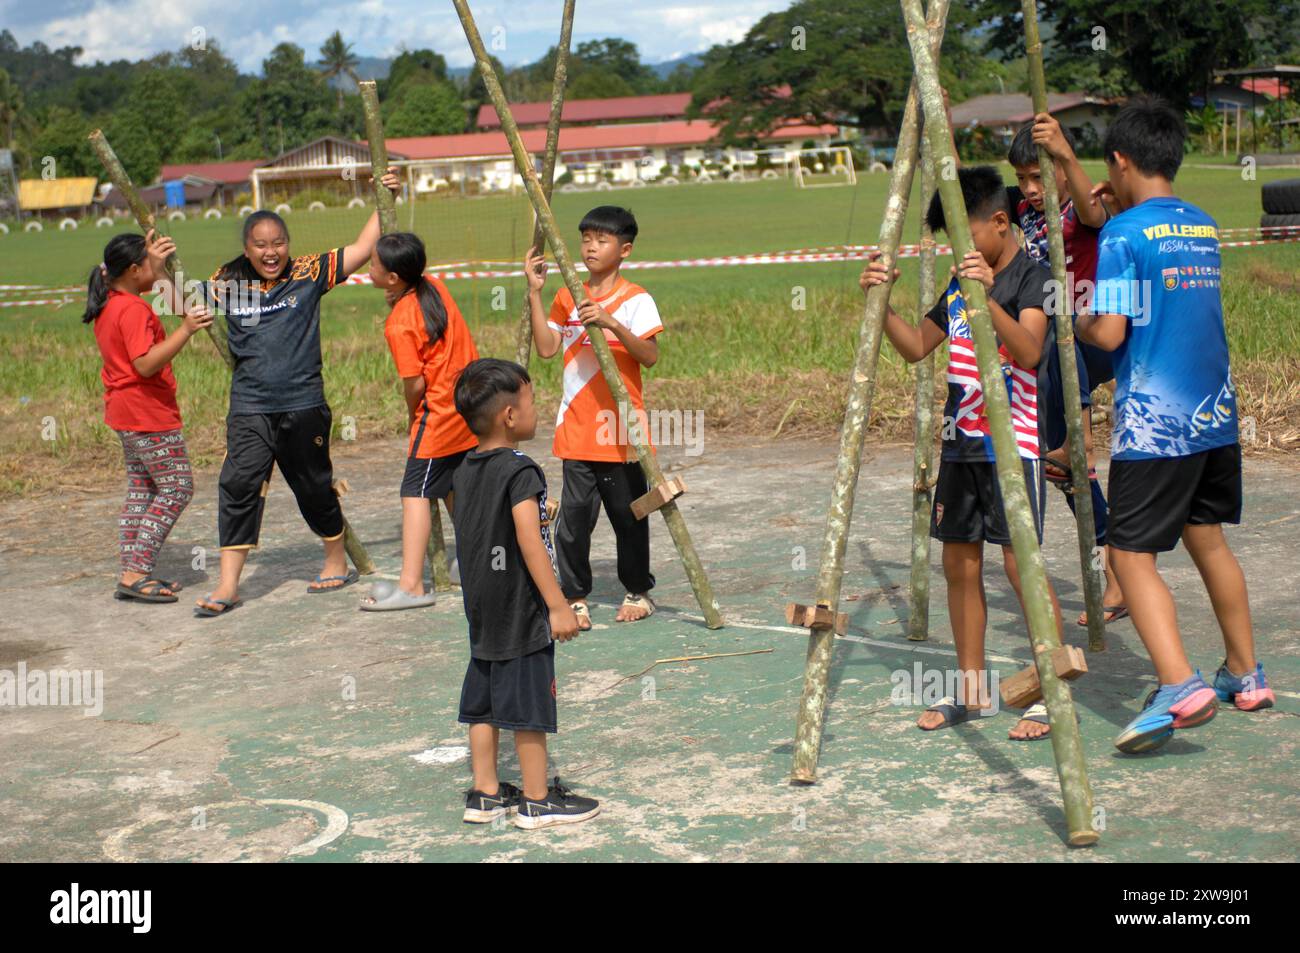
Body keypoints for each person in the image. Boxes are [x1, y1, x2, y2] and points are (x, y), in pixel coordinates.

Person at [1077, 96, 1275, 753]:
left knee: (1127, 554)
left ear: (1120, 161)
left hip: (1155, 426)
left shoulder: (1122, 236)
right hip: (1214, 419)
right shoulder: (1202, 224)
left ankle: (1178, 682)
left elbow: (1109, 330)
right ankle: (1246, 674)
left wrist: (1075, 318)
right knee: (1208, 540)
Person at [860, 165, 1063, 741]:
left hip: (1014, 444)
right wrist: (882, 303)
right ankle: (972, 689)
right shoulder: (956, 283)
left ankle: (1048, 687)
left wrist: (983, 298)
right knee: (959, 563)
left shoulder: (1034, 277)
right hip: (960, 447)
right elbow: (916, 348)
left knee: (1020, 564)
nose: (958, 249)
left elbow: (1027, 351)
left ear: (1000, 223)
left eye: (964, 235)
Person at [193, 173, 400, 617]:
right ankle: (228, 584)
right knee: (238, 484)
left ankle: (335, 559)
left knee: (312, 484)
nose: (271, 252)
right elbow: (172, 298)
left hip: (303, 402)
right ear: (247, 248)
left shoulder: (309, 272)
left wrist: (386, 196)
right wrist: (153, 264)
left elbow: (364, 248)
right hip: (249, 406)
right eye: (261, 245)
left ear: (288, 243)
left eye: (278, 242)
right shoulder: (227, 279)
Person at [450, 358, 599, 829]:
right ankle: (536, 801)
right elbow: (529, 543)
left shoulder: (465, 468)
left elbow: (481, 529)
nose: (538, 410)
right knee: (530, 705)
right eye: (532, 401)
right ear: (509, 417)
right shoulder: (522, 471)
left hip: (482, 606)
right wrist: (558, 605)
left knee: (485, 702)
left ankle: (486, 793)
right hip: (520, 607)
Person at [1005, 114, 1128, 626]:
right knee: (1064, 473)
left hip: (1095, 335)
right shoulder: (1022, 211)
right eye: (1023, 180)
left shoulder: (1077, 209)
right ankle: (1115, 569)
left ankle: (1082, 436)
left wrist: (1067, 155)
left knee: (1059, 320)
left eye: (1040, 176)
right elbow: (974, 200)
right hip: (1055, 357)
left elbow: (1097, 214)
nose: (1032, 190)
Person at [525, 206, 662, 629]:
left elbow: (650, 356)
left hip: (620, 429)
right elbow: (547, 348)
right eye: (586, 238)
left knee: (629, 515)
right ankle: (576, 595)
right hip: (577, 426)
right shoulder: (568, 293)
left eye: (601, 241)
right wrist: (534, 291)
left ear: (625, 249)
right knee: (574, 519)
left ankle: (638, 590)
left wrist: (611, 324)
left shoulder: (636, 298)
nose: (590, 247)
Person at [86, 230, 211, 604]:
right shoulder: (133, 309)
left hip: (125, 412)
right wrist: (187, 330)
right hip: (146, 413)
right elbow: (144, 364)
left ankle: (132, 572)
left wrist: (157, 268)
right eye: (149, 263)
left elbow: (165, 295)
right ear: (134, 268)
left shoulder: (111, 302)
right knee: (177, 488)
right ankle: (138, 571)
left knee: (143, 489)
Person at [360, 232, 479, 611]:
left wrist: (414, 411)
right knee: (454, 488)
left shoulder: (399, 322)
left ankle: (411, 586)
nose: (369, 267)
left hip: (438, 415)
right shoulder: (436, 287)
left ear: (393, 277)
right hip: (469, 405)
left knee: (415, 491)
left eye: (374, 264)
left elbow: (415, 383)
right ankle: (481, 562)